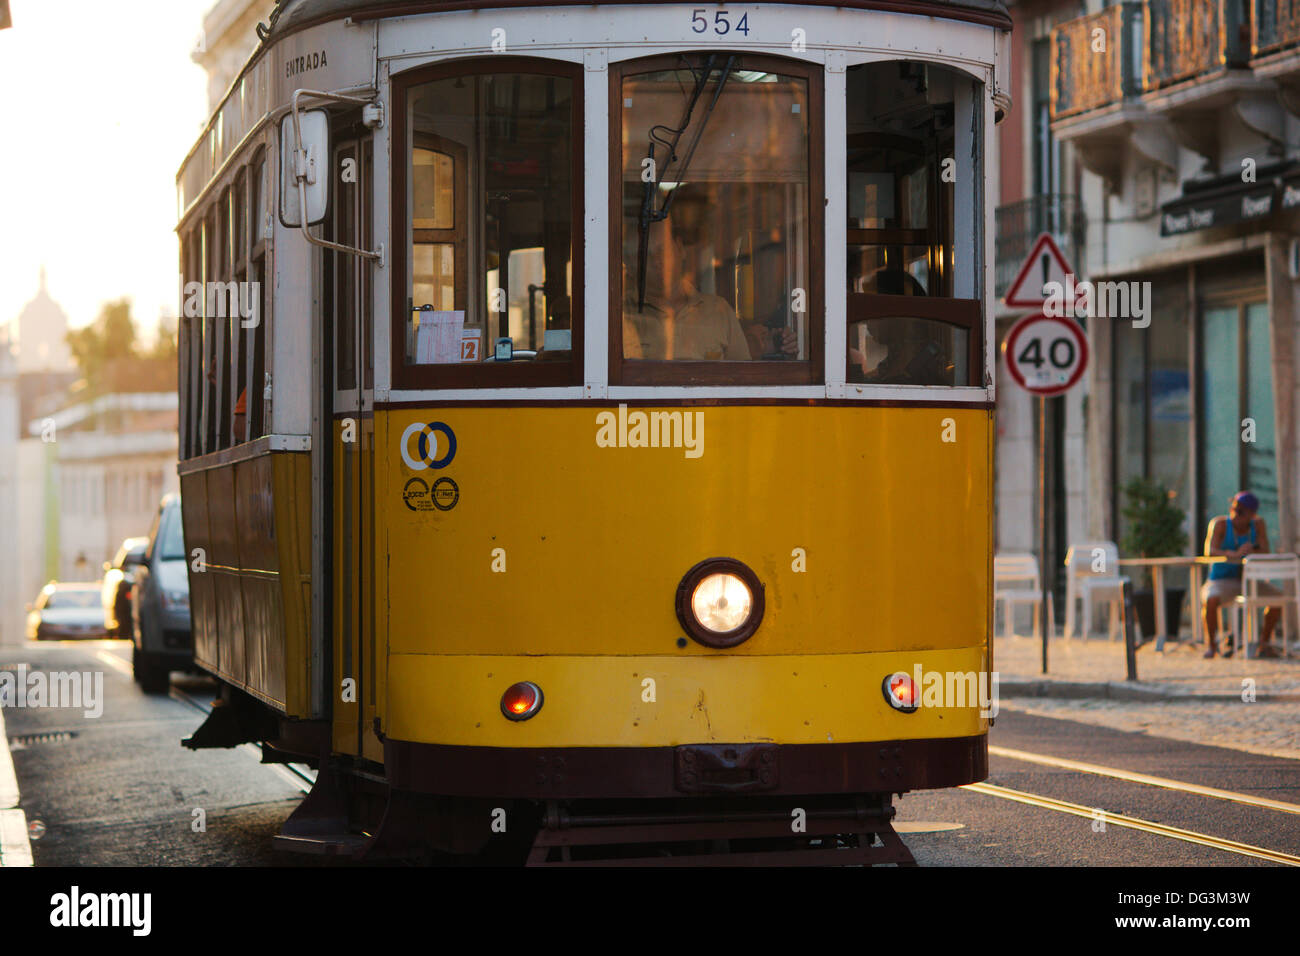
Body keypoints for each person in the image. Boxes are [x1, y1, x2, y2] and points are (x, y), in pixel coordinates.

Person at [1202, 491, 1283, 658]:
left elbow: (1266, 551)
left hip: (1248, 580)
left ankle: (1264, 644)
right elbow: (1209, 551)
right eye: (1233, 508)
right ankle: (1211, 645)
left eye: (1240, 511)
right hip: (1221, 580)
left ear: (1252, 515)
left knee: (1278, 598)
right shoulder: (1220, 524)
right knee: (1210, 599)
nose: (1235, 513)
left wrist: (1252, 550)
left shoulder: (1258, 525)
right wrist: (1232, 553)